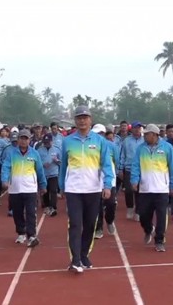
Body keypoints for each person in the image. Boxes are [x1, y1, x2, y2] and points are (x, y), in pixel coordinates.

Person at [59, 106, 115, 274]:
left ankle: (84, 255)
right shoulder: (67, 141)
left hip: (93, 189)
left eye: (85, 117)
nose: (82, 120)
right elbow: (64, 166)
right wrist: (62, 186)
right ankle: (75, 260)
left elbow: (106, 165)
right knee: (75, 224)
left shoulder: (100, 141)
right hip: (73, 190)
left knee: (90, 224)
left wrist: (107, 185)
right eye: (79, 117)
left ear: (90, 120)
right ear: (75, 120)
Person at [131, 124, 173, 252]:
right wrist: (134, 180)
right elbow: (135, 166)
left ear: (155, 135)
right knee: (143, 215)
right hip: (145, 188)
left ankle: (159, 240)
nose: (145, 136)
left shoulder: (167, 148)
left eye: (147, 134)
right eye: (144, 134)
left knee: (162, 216)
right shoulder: (140, 149)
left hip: (161, 189)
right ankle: (148, 229)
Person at [1, 129, 47, 248]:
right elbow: (6, 167)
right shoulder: (11, 153)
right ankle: (21, 232)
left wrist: (43, 185)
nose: (23, 141)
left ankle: (31, 235)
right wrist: (4, 180)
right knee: (17, 213)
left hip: (30, 188)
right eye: (21, 138)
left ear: (29, 140)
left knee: (31, 212)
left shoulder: (34, 154)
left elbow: (40, 170)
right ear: (18, 139)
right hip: (15, 188)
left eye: (26, 138)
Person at [94, 124, 120, 238]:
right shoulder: (90, 147)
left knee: (110, 204)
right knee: (97, 206)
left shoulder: (112, 146)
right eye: (96, 134)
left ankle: (109, 221)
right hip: (95, 180)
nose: (98, 136)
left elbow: (116, 161)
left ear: (104, 134)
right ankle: (98, 228)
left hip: (110, 180)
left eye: (100, 133)